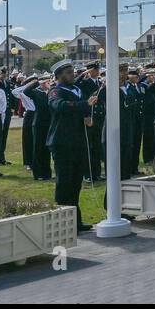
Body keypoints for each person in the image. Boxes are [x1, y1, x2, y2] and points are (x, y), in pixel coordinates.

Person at [46, 60, 94, 233]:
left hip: (77, 140)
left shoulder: (77, 90)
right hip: (62, 142)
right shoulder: (55, 91)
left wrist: (87, 113)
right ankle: (62, 222)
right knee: (64, 182)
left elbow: (83, 108)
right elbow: (59, 106)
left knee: (76, 183)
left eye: (72, 71)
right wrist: (84, 105)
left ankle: (76, 221)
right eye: (67, 72)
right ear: (59, 76)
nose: (72, 74)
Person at [77, 61, 103, 181]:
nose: (97, 71)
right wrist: (86, 116)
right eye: (94, 69)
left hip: (98, 117)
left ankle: (96, 173)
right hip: (89, 117)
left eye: (97, 69)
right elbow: (83, 99)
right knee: (89, 146)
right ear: (89, 71)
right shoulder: (84, 83)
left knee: (97, 146)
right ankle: (87, 174)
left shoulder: (100, 82)